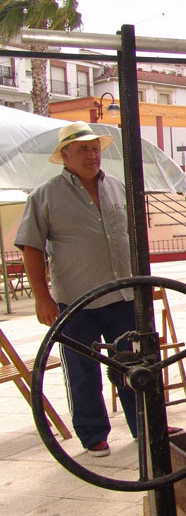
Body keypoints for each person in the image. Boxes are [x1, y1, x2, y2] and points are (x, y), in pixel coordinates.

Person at [14, 121, 137, 457]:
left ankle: (145, 424)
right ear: (64, 155)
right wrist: (42, 297)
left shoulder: (116, 187)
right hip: (76, 300)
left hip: (123, 295)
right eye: (82, 149)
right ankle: (93, 434)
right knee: (83, 371)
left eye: (95, 148)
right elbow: (31, 248)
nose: (91, 154)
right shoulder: (45, 195)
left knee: (133, 365)